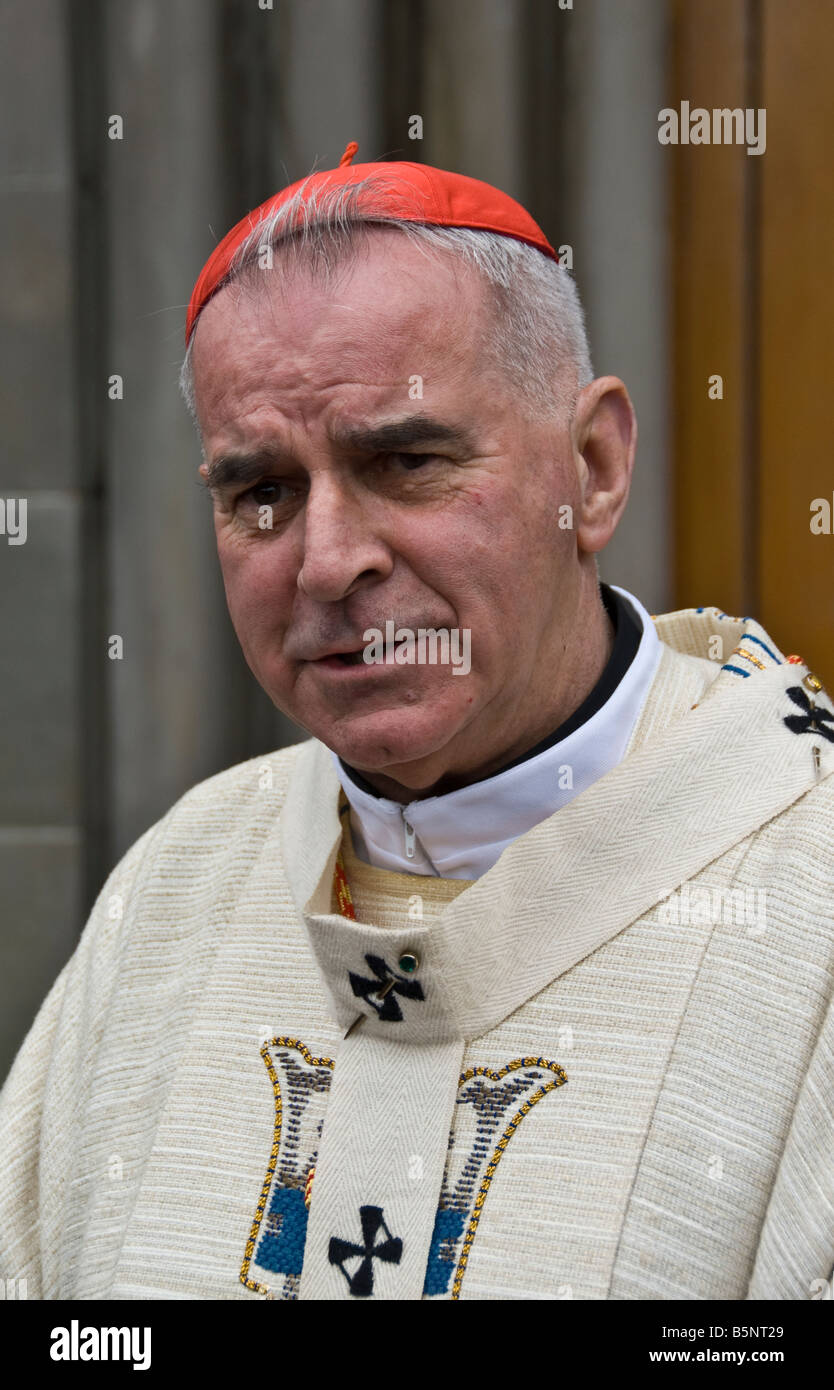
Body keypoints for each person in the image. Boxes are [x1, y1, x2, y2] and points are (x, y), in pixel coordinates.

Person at [1, 144, 833, 1302]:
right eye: (262, 495)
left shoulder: (811, 890)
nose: (330, 562)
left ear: (590, 471)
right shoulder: (179, 879)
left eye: (406, 460)